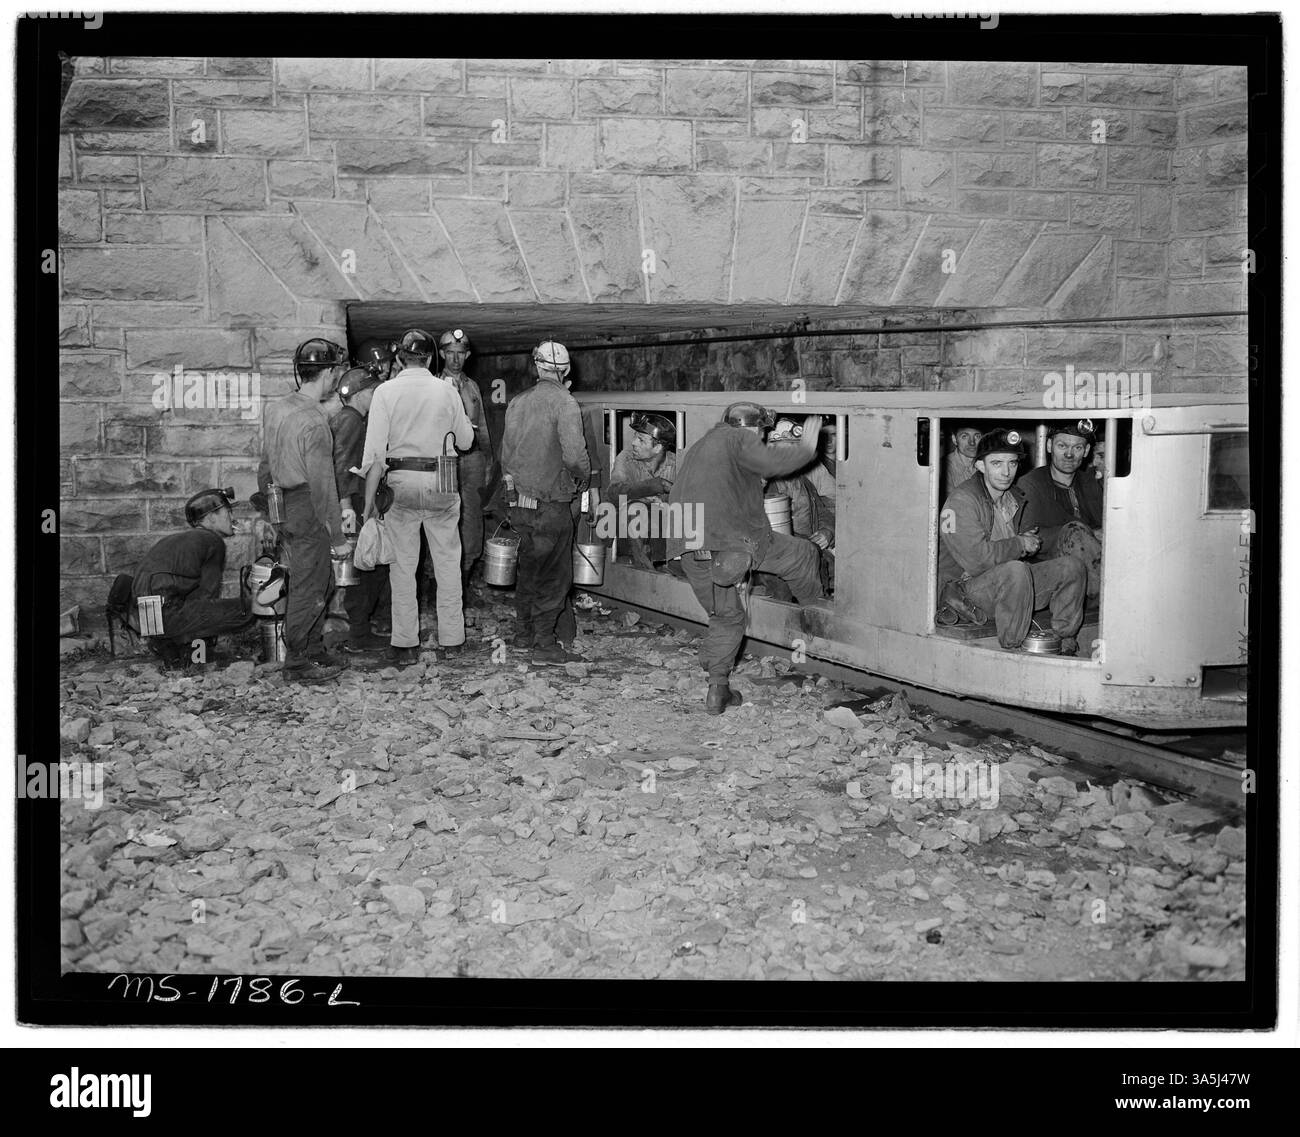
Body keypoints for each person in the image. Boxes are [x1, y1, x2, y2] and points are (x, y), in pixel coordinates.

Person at [667, 403, 827, 715]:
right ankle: (816, 621)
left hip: (688, 548)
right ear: (753, 428)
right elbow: (770, 463)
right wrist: (807, 448)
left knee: (727, 616)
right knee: (803, 553)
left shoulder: (702, 445)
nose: (762, 437)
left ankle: (718, 689)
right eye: (763, 432)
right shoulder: (740, 439)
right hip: (730, 543)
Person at [361, 329, 474, 667]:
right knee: (448, 562)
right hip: (441, 476)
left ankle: (405, 643)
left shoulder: (384, 392)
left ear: (399, 358)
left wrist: (368, 509)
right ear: (430, 358)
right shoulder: (447, 390)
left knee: (403, 565)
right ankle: (452, 641)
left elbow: (374, 457)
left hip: (401, 480)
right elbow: (466, 441)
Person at [937, 428, 1086, 654]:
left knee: (1071, 566)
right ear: (979, 466)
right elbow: (978, 561)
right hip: (964, 591)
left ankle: (1064, 641)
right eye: (996, 463)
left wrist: (1025, 541)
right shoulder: (962, 500)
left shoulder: (1011, 497)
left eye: (1012, 463)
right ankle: (1013, 649)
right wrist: (1020, 544)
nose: (1006, 472)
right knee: (1016, 571)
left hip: (1001, 584)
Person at [257, 339, 351, 682]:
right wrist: (338, 538)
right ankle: (295, 662)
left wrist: (271, 513)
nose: (335, 377)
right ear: (327, 373)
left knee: (321, 580)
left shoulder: (277, 408)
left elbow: (265, 464)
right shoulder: (315, 422)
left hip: (281, 501)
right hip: (306, 503)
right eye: (334, 371)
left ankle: (311, 648)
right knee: (309, 585)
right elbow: (324, 485)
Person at [500, 339, 591, 664]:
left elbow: (506, 457)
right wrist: (583, 479)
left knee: (528, 571)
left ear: (536, 366)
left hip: (520, 504)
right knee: (554, 576)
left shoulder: (518, 402)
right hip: (550, 504)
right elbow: (575, 456)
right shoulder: (564, 402)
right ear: (565, 370)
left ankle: (523, 636)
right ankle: (545, 644)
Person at [130, 487, 255, 663]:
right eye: (228, 513)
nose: (232, 519)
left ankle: (171, 650)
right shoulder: (212, 541)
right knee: (249, 608)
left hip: (144, 618)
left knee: (192, 607)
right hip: (168, 615)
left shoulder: (179, 539)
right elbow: (206, 596)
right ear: (211, 518)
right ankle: (197, 656)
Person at [331, 367, 390, 652]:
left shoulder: (354, 419)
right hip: (353, 502)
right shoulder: (351, 421)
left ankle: (364, 630)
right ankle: (359, 634)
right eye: (371, 392)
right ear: (358, 395)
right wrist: (347, 508)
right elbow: (341, 466)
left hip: (356, 500)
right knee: (364, 567)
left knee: (368, 566)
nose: (374, 396)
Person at [436, 328, 494, 605]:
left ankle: (464, 583)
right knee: (442, 520)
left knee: (472, 522)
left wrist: (489, 461)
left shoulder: (472, 387)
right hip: (444, 460)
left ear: (467, 355)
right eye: (450, 353)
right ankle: (433, 586)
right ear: (441, 354)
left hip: (472, 460)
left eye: (461, 354)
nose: (456, 359)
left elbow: (481, 425)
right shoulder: (433, 386)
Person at [1017, 420, 1104, 598]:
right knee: (1075, 531)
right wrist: (1088, 534)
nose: (1069, 455)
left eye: (1077, 448)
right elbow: (1029, 539)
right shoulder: (1031, 483)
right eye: (1062, 446)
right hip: (1050, 565)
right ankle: (1105, 598)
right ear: (1049, 446)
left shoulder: (1090, 483)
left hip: (1092, 565)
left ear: (1086, 451)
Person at [607, 411, 676, 569]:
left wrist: (666, 501)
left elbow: (689, 501)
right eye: (634, 437)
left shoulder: (676, 463)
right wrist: (654, 486)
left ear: (658, 447)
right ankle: (647, 571)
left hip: (664, 533)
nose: (633, 443)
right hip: (630, 533)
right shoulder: (626, 458)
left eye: (641, 440)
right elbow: (614, 492)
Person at [946, 423, 982, 490]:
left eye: (977, 436)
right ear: (954, 439)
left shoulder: (988, 463)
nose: (972, 443)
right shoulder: (946, 468)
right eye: (964, 436)